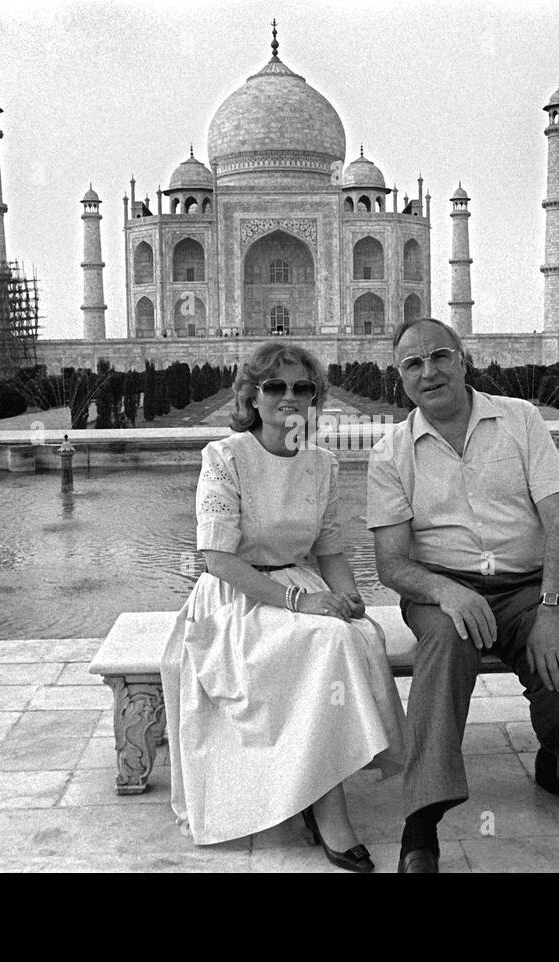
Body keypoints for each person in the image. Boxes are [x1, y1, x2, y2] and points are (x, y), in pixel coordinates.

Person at [366, 317, 559, 874]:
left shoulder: (521, 420)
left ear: (463, 359)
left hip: (527, 589)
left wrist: (553, 608)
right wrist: (446, 592)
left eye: (439, 357)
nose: (428, 372)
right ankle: (421, 820)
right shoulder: (390, 454)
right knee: (445, 653)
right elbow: (392, 564)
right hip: (441, 590)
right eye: (413, 364)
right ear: (400, 378)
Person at [160, 341, 405, 872]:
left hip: (295, 588)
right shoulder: (224, 457)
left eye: (302, 388)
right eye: (276, 387)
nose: (289, 398)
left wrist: (349, 596)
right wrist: (303, 601)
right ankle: (330, 810)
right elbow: (218, 560)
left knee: (362, 633)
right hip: (235, 601)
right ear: (252, 395)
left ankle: (316, 781)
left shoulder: (321, 463)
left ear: (315, 398)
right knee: (330, 641)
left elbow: (331, 548)